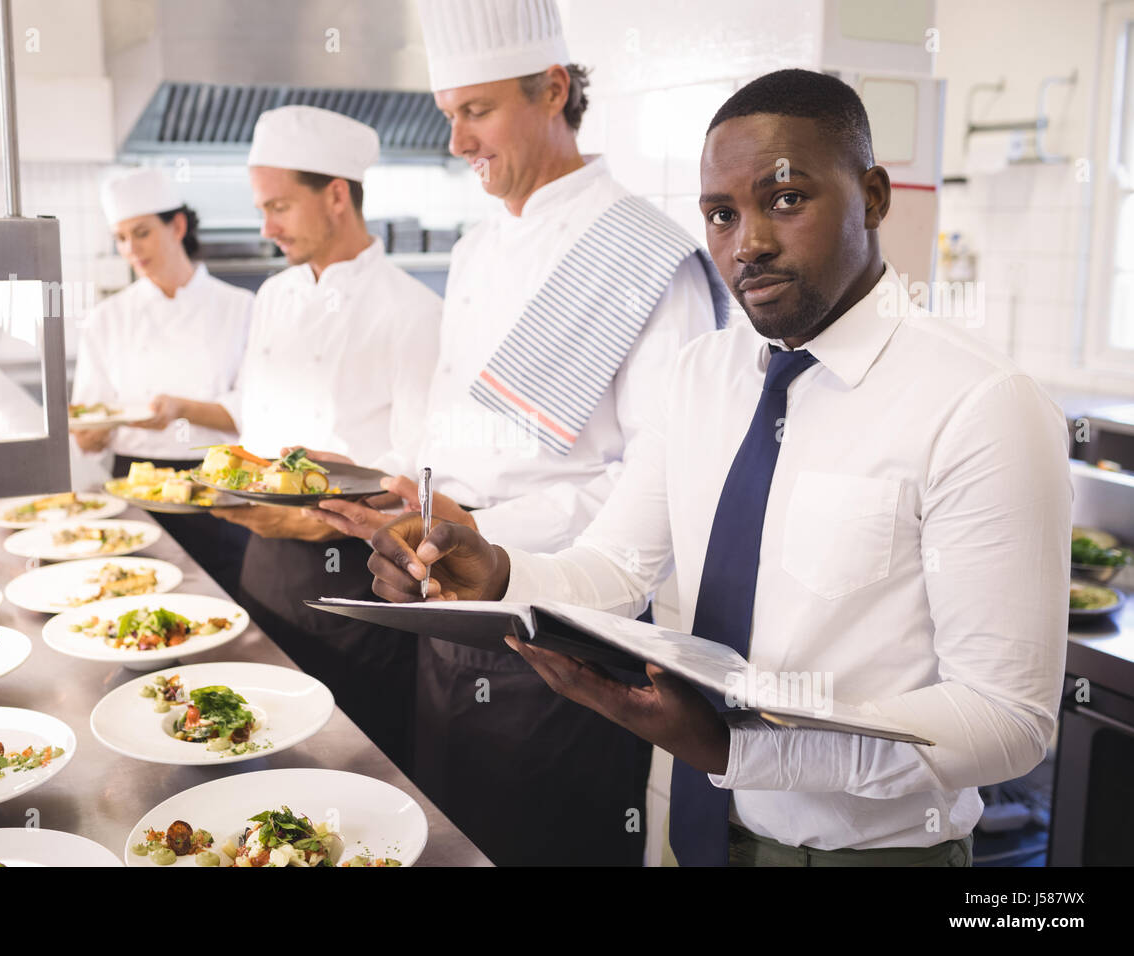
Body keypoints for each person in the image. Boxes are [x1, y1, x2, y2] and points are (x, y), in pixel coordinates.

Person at [365, 68, 1071, 867]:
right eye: (721, 215)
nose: (750, 243)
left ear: (872, 196)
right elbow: (617, 566)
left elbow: (1009, 720)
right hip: (694, 836)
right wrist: (495, 572)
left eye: (787, 200)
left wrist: (745, 751)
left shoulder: (983, 405)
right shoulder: (703, 376)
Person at [308, 0, 728, 866]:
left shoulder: (646, 253)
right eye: (446, 114)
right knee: (447, 840)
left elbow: (662, 483)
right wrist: (394, 493)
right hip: (447, 613)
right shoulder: (474, 249)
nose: (456, 141)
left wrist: (484, 531)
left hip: (563, 638)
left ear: (553, 88)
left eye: (476, 109)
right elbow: (450, 436)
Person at [197, 106, 443, 772]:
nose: (265, 226)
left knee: (354, 768)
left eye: (279, 206)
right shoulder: (273, 294)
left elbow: (420, 472)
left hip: (356, 588)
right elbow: (255, 430)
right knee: (257, 753)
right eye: (261, 207)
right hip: (263, 566)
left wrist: (317, 517)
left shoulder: (413, 311)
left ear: (337, 195)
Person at [73, 167, 253, 596]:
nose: (130, 249)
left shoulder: (240, 307)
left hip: (219, 490)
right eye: (120, 238)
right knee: (138, 604)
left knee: (227, 606)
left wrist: (182, 409)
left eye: (141, 233)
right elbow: (88, 433)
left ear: (177, 226)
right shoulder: (106, 318)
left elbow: (255, 411)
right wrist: (89, 432)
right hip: (133, 488)